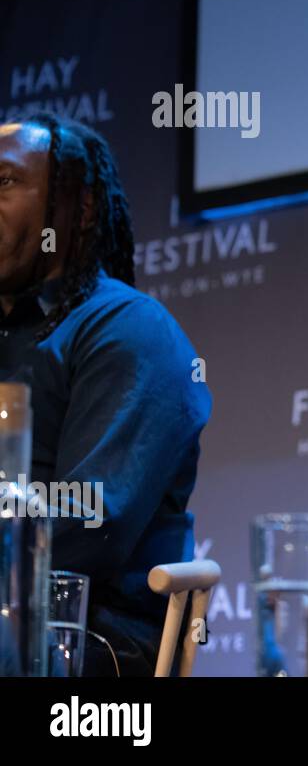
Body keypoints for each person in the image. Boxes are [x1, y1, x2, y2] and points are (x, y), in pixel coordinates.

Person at [0, 114, 210, 676]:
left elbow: (90, 518)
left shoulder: (127, 329)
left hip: (89, 635)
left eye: (5, 182)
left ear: (81, 207)